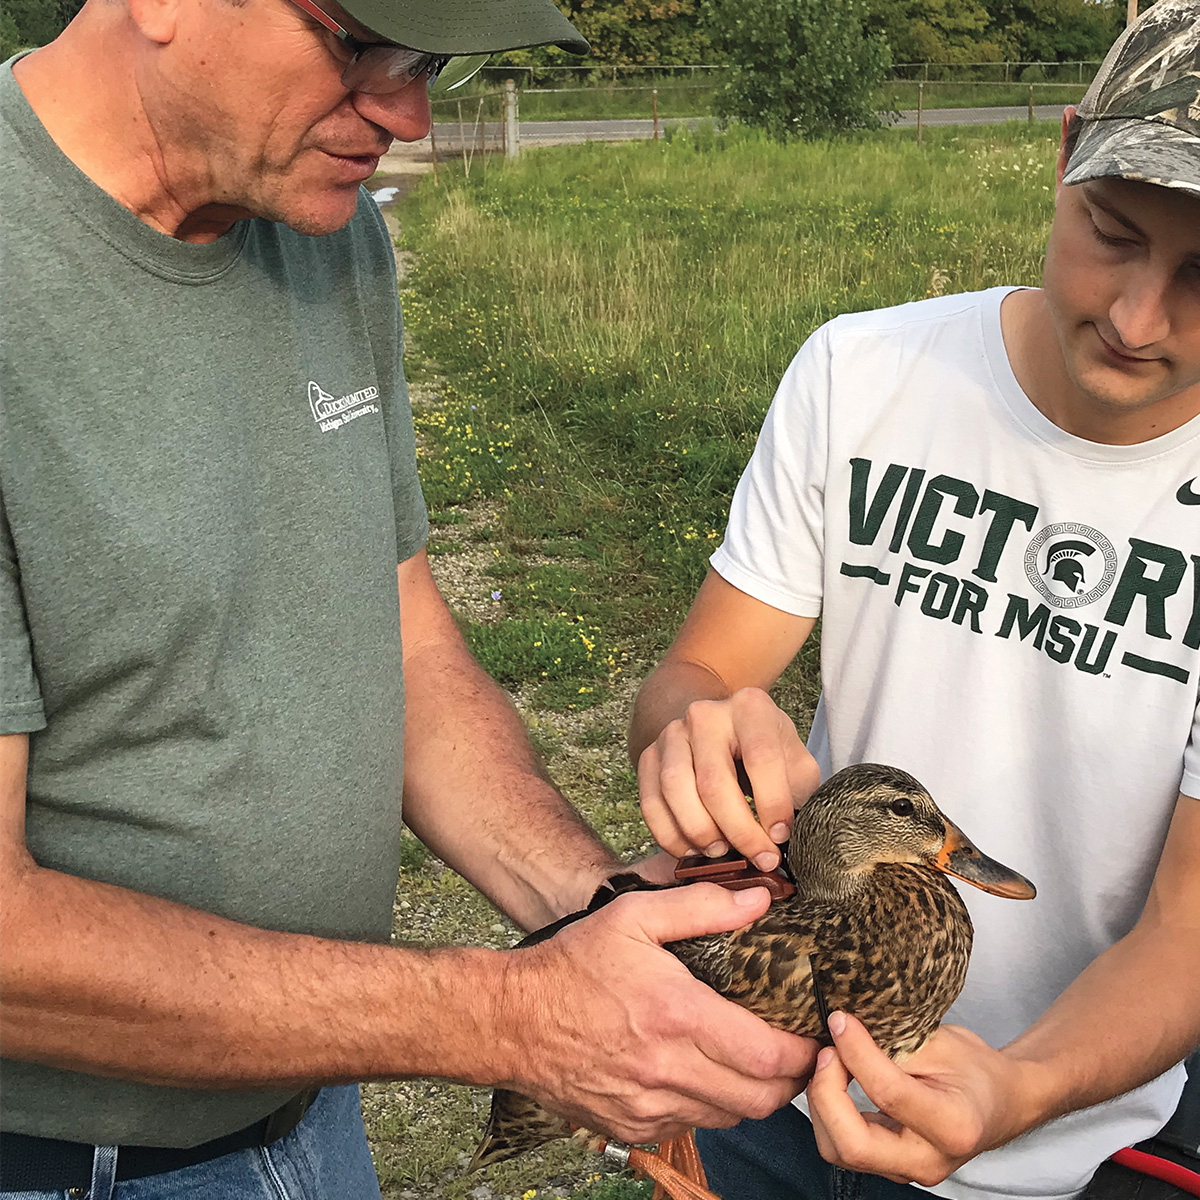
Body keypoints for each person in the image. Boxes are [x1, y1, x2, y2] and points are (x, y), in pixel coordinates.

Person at [0, 0, 817, 1195]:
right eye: (359, 43)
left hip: (308, 1115)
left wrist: (595, 908)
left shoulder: (322, 229)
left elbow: (406, 646)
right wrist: (510, 1017)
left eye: (431, 59)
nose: (407, 113)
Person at [629, 4, 1200, 1199]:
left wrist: (1017, 1090)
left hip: (1067, 1129)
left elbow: (1186, 931)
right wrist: (701, 738)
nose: (1136, 319)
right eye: (1109, 232)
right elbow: (695, 679)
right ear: (1063, 154)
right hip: (772, 1078)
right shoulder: (866, 376)